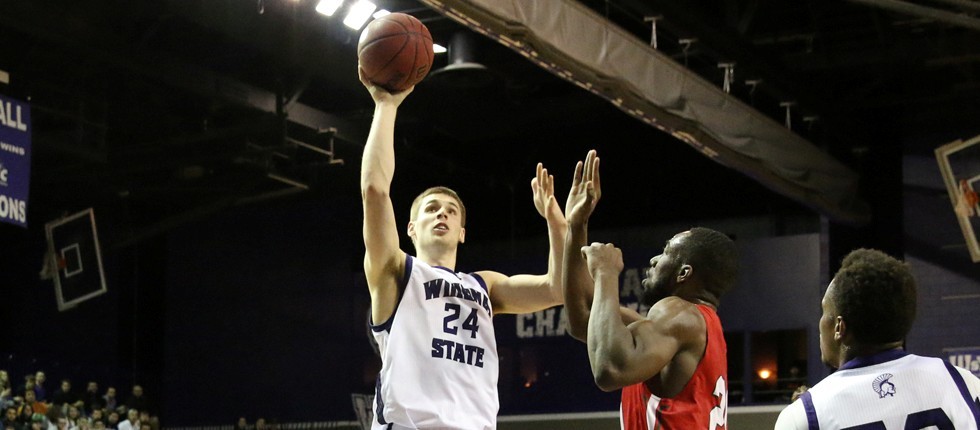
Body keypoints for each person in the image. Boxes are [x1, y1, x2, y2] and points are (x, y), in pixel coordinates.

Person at [358, 68, 568, 429]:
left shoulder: (484, 285)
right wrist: (386, 105)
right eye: (431, 209)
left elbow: (558, 288)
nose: (442, 213)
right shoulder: (396, 271)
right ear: (410, 228)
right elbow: (375, 192)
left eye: (451, 211)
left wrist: (558, 224)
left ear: (462, 232)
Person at [562, 150, 739, 429]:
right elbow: (583, 317)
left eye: (666, 251)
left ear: (684, 273)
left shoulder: (678, 313)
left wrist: (606, 273)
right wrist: (576, 226)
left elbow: (609, 370)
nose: (655, 259)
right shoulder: (688, 326)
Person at [775, 248, 980, 429]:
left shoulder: (806, 415)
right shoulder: (962, 381)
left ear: (839, 327)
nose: (820, 322)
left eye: (824, 311)